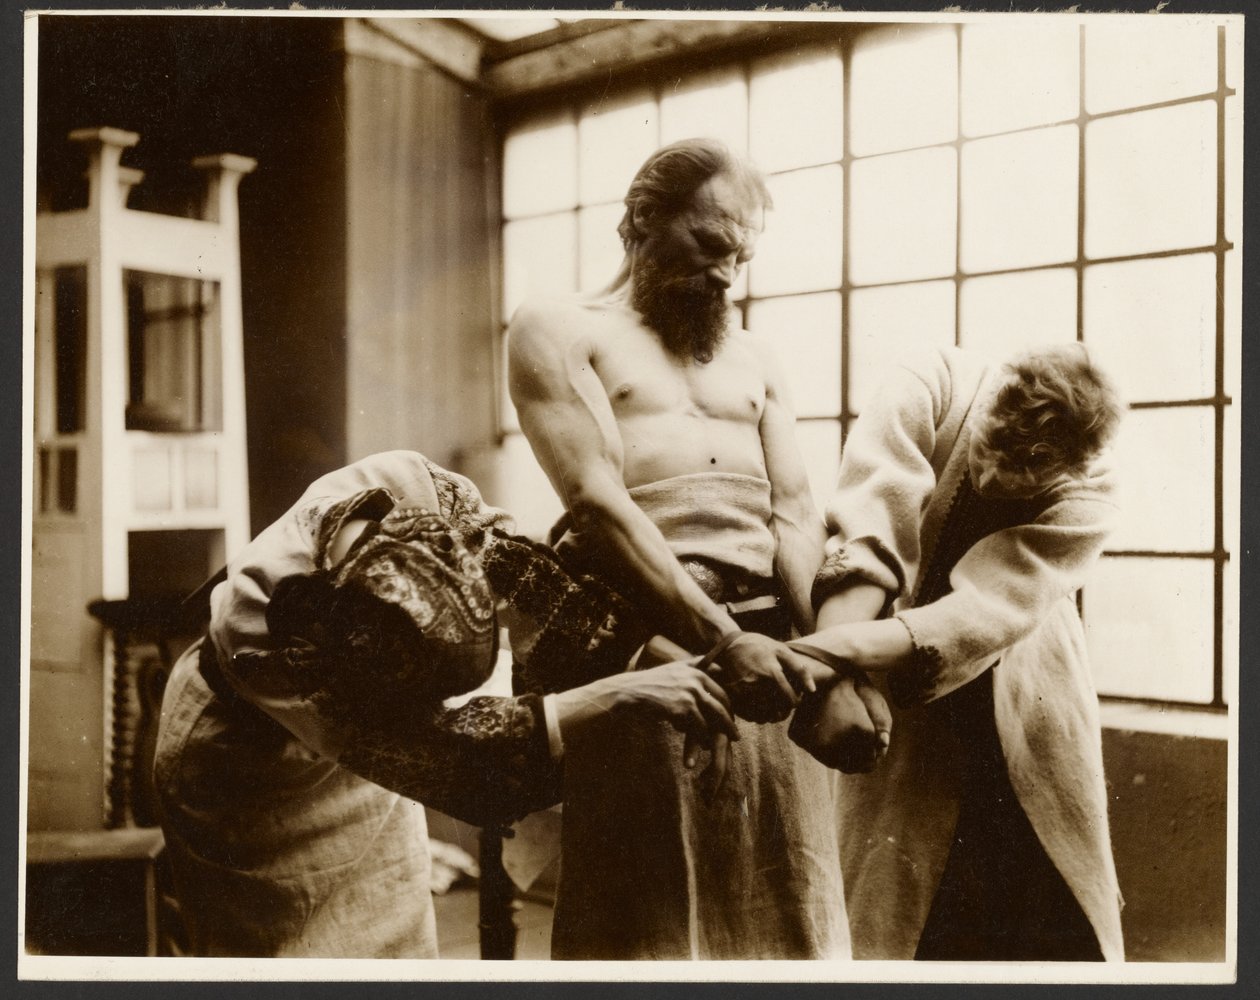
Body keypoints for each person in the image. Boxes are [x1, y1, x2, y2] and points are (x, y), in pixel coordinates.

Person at [506, 137, 882, 959]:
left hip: (769, 654)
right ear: (642, 220)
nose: (723, 274)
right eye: (709, 245)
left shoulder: (757, 358)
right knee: (644, 918)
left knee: (787, 899)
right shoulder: (558, 326)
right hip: (648, 650)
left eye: (739, 257)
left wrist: (828, 665)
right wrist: (724, 641)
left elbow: (793, 513)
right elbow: (597, 505)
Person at [153, 450, 738, 958]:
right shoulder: (274, 645)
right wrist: (622, 692)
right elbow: (463, 764)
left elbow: (534, 580)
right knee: (282, 961)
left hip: (358, 745)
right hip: (243, 768)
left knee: (393, 945)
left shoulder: (410, 488)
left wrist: (657, 656)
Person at [789, 343, 1126, 961]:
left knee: (1030, 893)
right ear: (991, 407)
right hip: (878, 649)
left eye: (1024, 481)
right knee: (894, 893)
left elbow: (985, 609)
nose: (994, 483)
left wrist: (821, 654)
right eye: (987, 457)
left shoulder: (1093, 492)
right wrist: (837, 678)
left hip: (1022, 671)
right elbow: (871, 530)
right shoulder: (929, 382)